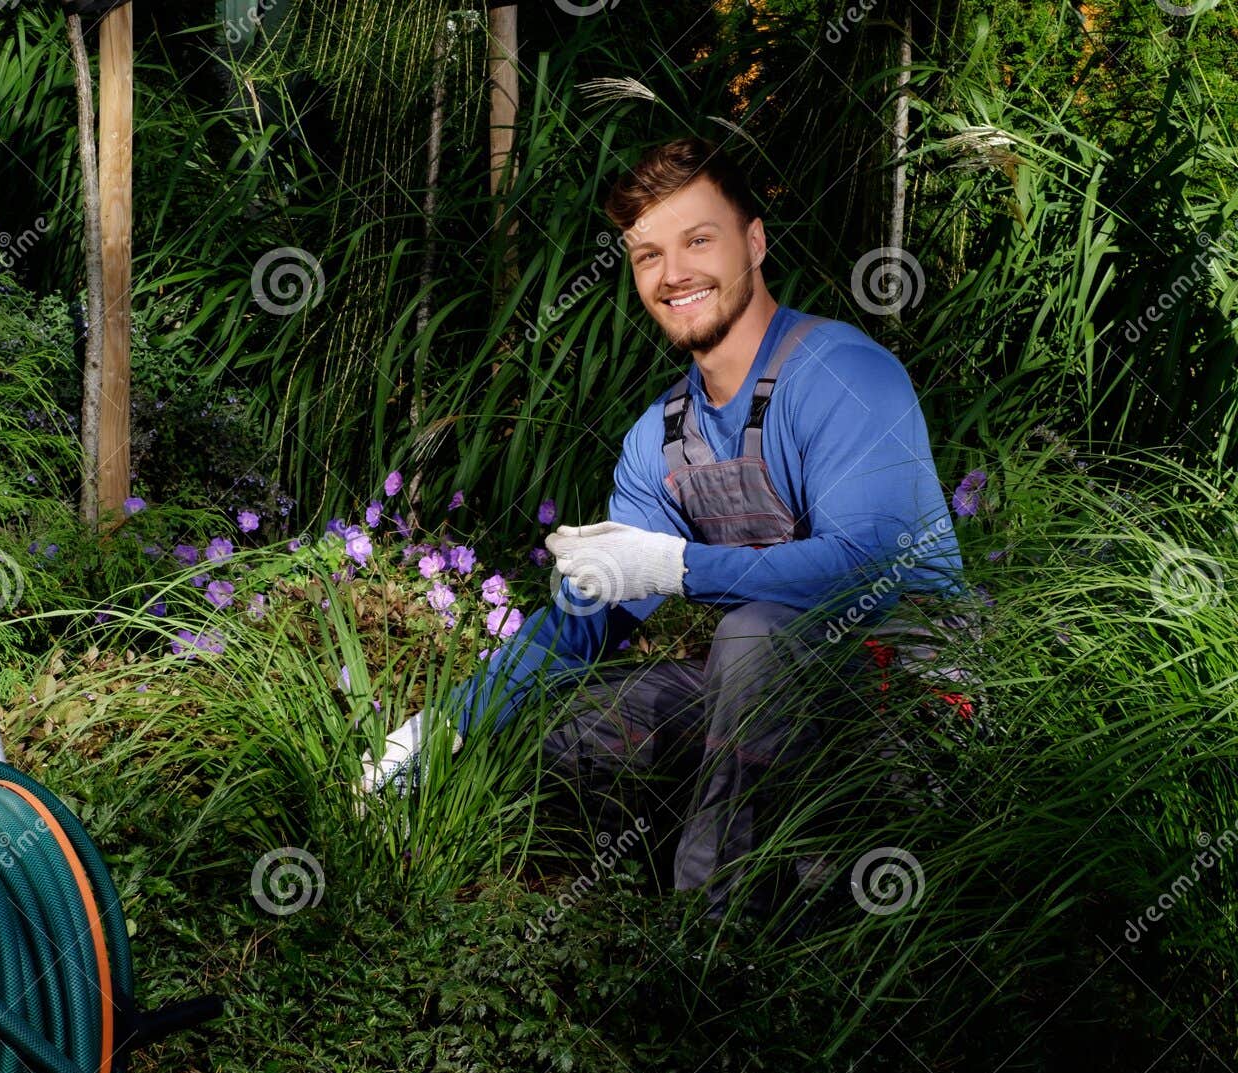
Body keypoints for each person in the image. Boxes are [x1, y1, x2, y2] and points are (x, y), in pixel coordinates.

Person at [359, 136, 973, 915]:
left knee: (756, 637)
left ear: (754, 241)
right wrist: (441, 728)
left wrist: (680, 567)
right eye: (648, 254)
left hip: (907, 703)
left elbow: (867, 567)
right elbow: (584, 624)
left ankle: (713, 932)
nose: (673, 273)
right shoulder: (661, 437)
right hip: (771, 712)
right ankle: (765, 865)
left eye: (698, 239)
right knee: (566, 727)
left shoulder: (842, 375)